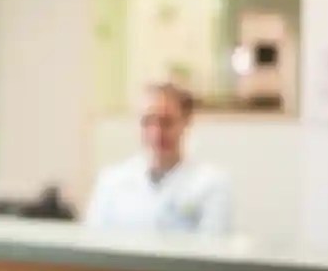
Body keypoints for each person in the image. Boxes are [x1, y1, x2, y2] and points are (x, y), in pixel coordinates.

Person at [85, 83, 233, 235]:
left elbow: (213, 250)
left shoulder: (212, 184)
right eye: (147, 122)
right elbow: (92, 245)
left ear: (186, 122)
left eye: (166, 122)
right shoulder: (111, 180)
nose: (156, 133)